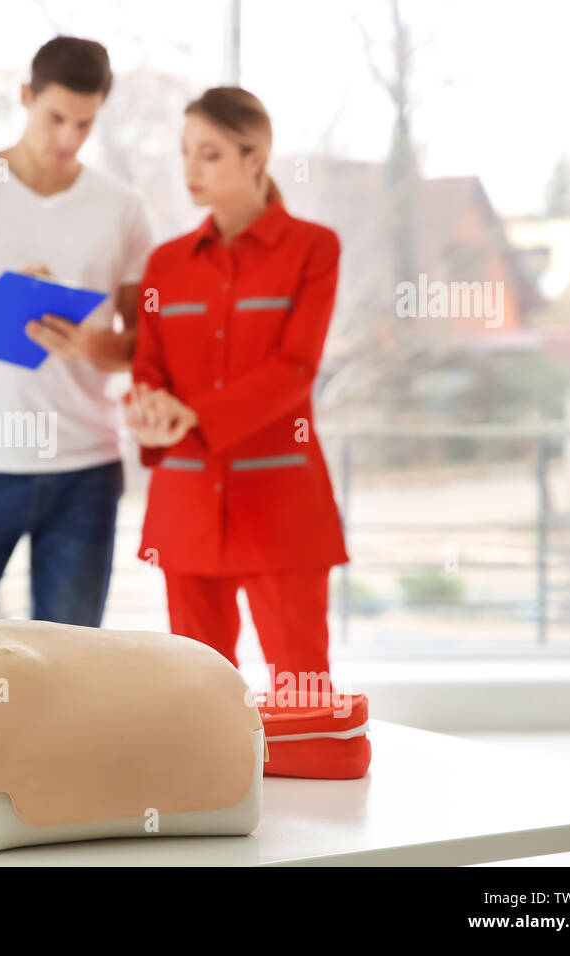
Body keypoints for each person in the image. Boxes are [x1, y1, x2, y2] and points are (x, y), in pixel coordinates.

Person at [0, 35, 155, 628]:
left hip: (85, 472)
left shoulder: (122, 208)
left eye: (84, 124)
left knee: (67, 674)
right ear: (25, 96)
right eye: (56, 117)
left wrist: (91, 344)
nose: (67, 138)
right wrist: (3, 308)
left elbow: (147, 341)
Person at [123, 86, 348, 693]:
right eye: (185, 152)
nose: (190, 170)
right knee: (198, 704)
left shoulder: (314, 249)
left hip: (282, 506)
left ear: (257, 157)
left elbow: (296, 368)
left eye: (211, 154)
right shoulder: (165, 266)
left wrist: (191, 415)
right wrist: (147, 412)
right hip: (187, 506)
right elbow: (147, 370)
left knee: (304, 697)